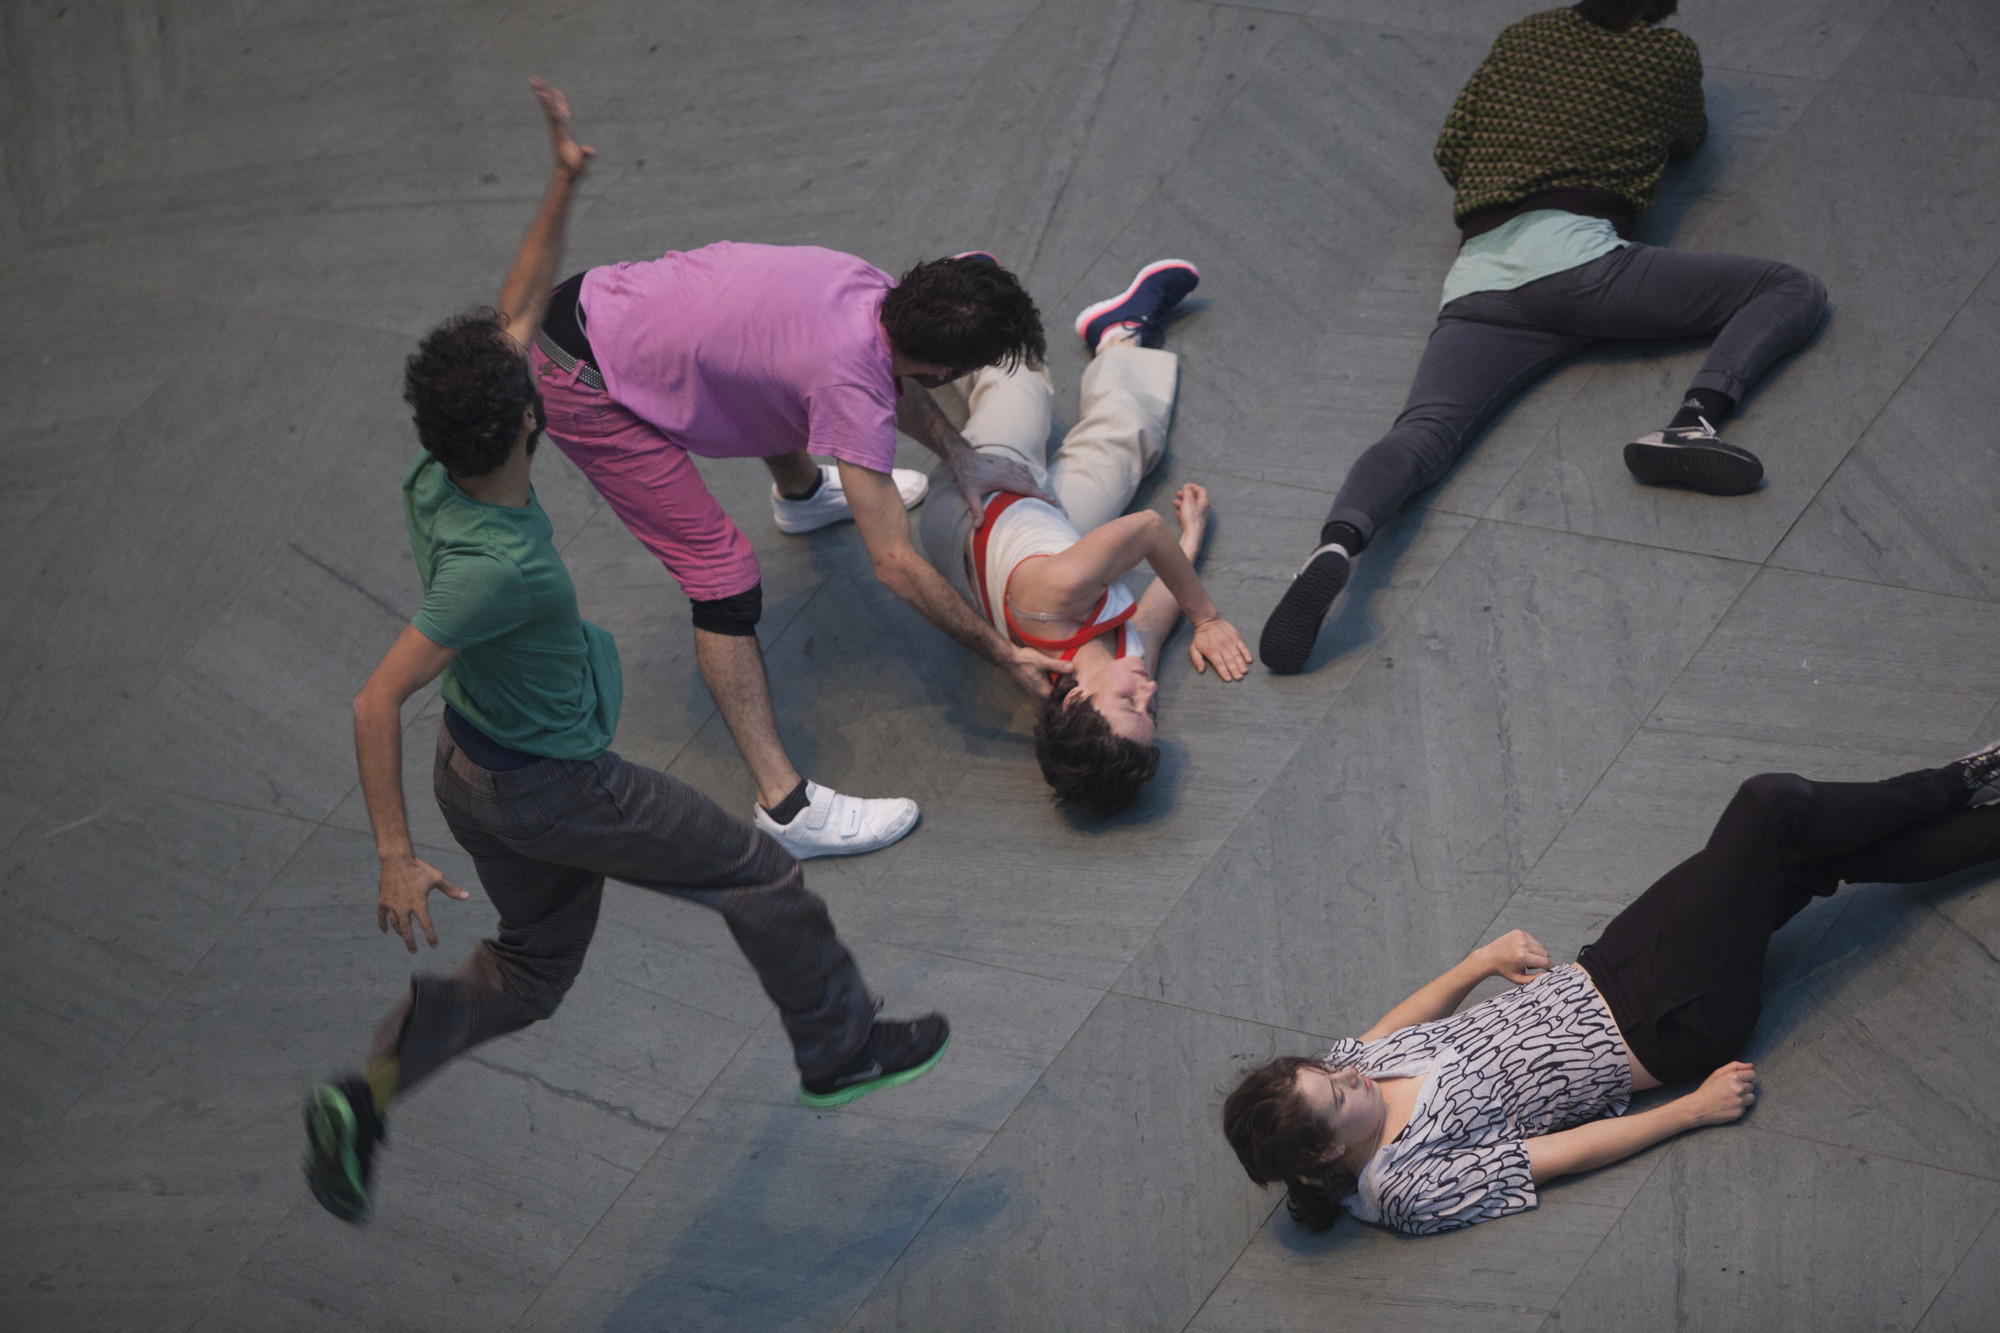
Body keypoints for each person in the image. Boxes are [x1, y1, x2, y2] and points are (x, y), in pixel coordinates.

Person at [301, 81, 950, 1226]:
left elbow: (513, 316)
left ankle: (369, 1096)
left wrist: (561, 181)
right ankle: (838, 1046)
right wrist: (393, 857)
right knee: (757, 875)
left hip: (476, 774)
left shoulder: (434, 480)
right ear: (528, 423)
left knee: (528, 972)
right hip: (557, 785)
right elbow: (369, 700)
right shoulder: (494, 564)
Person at [1220, 740, 2000, 1235]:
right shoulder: (1402, 1186)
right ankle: (1960, 778)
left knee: (1806, 859)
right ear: (1326, 1147)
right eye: (1337, 1091)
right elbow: (1554, 1155)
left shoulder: (1347, 1073)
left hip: (1609, 964)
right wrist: (1689, 1111)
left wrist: (1476, 961)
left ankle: (1979, 808)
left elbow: (1383, 1034)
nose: (1347, 1070)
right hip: (1668, 1022)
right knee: (1769, 806)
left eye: (1325, 1069)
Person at [1259, 0, 1830, 675]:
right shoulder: (1667, 55)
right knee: (1791, 288)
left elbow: (1451, 149)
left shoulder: (1525, 34)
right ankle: (1691, 422)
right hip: (1583, 262)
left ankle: (1338, 544)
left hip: (1478, 279)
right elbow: (1688, 138)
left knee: (1421, 434)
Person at [534, 210, 1073, 859]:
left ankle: (803, 493)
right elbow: (895, 563)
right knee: (722, 577)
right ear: (942, 365)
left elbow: (879, 378)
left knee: (778, 377)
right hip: (583, 384)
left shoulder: (871, 290)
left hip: (595, 302)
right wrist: (1005, 653)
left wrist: (962, 455)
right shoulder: (850, 376)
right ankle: (786, 808)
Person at [917, 260, 1252, 814]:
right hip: (1050, 524)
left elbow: (1146, 531)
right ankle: (1118, 334)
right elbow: (1152, 617)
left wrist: (1208, 618)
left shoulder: (1056, 597)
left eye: (1130, 703)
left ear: (1073, 699)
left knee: (1020, 374)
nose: (1149, 693)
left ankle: (962, 304)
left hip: (975, 502)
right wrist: (1190, 538)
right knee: (1128, 442)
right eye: (1149, 712)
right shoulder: (1115, 668)